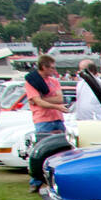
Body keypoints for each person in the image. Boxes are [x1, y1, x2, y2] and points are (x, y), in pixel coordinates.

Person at [25, 54, 66, 192]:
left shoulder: (54, 81)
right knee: (42, 150)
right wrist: (55, 105)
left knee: (63, 150)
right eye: (52, 68)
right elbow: (38, 102)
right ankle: (36, 181)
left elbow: (59, 98)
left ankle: (58, 178)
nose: (54, 71)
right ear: (44, 67)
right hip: (43, 119)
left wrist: (43, 99)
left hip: (57, 118)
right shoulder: (32, 82)